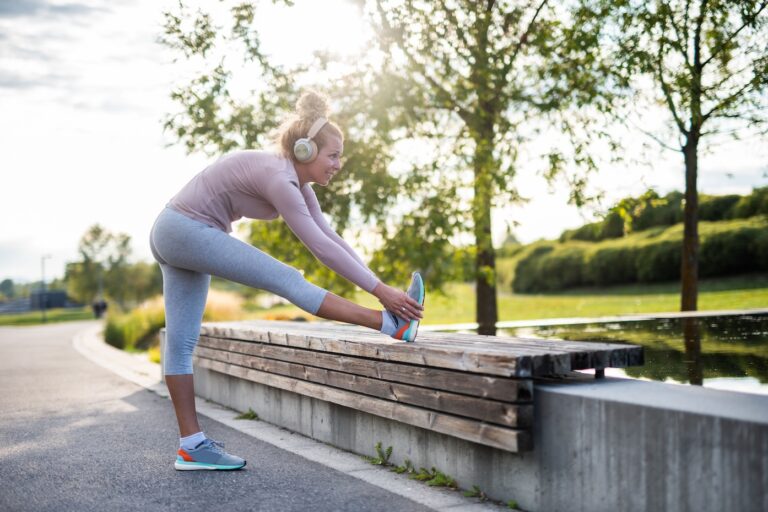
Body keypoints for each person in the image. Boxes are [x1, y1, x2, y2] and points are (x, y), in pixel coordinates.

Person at [149, 90, 426, 471]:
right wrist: (383, 297)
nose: (338, 164)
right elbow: (320, 251)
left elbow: (332, 240)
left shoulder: (298, 185)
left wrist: (381, 287)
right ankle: (391, 325)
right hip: (185, 230)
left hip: (174, 231)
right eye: (333, 155)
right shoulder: (280, 178)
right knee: (288, 279)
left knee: (181, 344)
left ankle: (191, 447)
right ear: (306, 152)